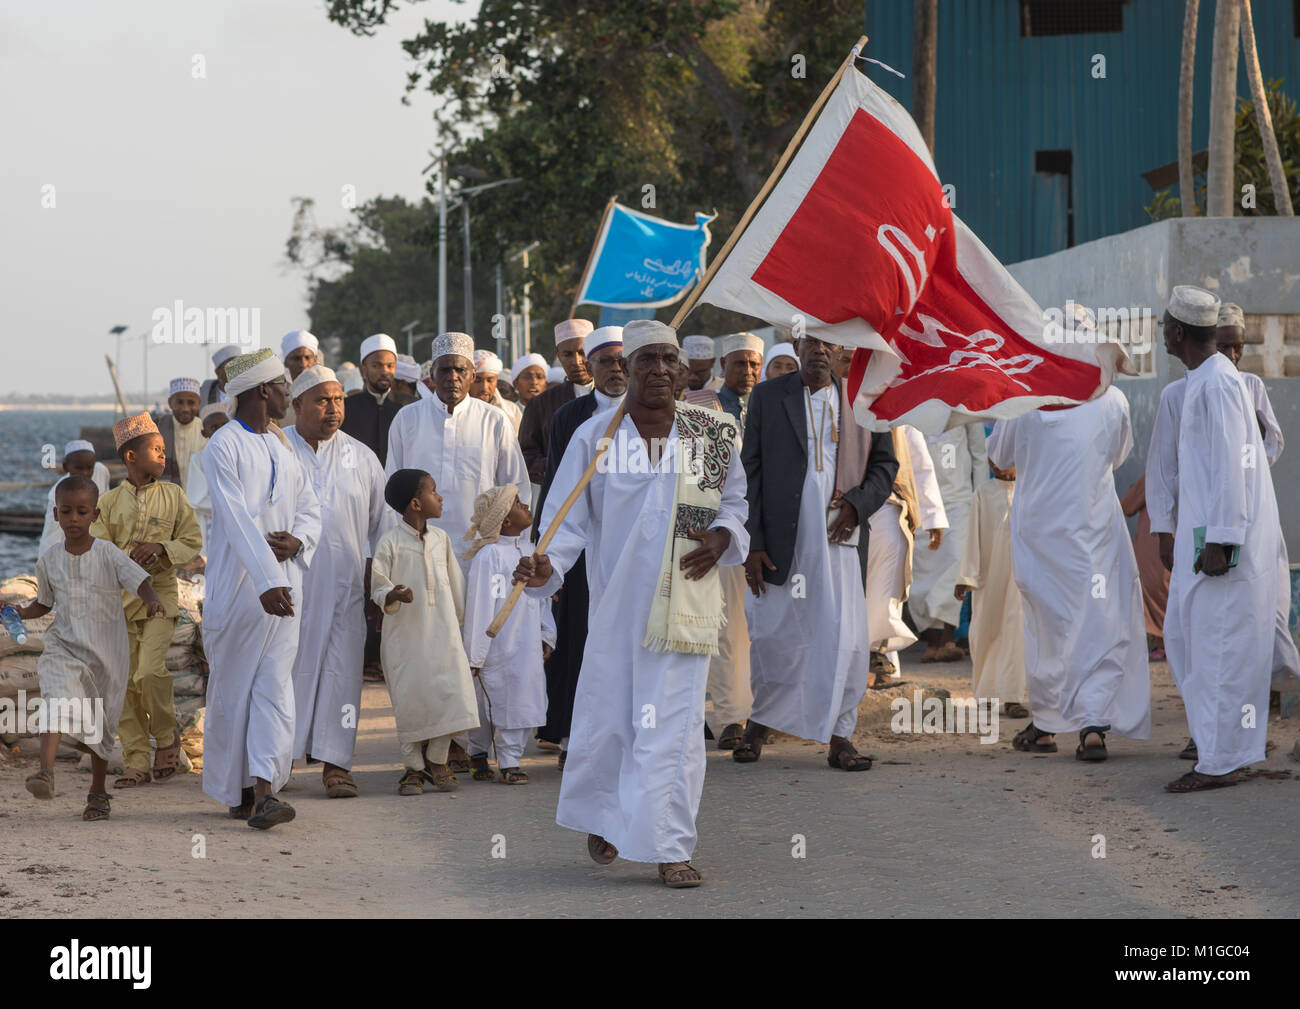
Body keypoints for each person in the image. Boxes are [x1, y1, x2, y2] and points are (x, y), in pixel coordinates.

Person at [512, 319, 748, 888]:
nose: (661, 370)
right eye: (648, 361)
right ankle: (608, 816)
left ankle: (671, 846)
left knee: (677, 731)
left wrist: (723, 536)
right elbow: (564, 526)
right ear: (625, 369)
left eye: (670, 359)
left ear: (683, 369)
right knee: (612, 719)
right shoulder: (594, 438)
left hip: (685, 610)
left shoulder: (713, 433)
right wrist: (545, 565)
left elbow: (735, 501)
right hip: (615, 610)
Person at [737, 333, 897, 769]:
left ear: (843, 349)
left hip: (838, 541)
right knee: (774, 634)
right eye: (811, 341)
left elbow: (886, 467)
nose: (820, 350)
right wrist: (752, 542)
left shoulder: (864, 399)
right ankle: (760, 723)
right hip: (781, 541)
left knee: (843, 636)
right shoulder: (769, 397)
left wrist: (856, 504)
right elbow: (748, 470)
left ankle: (841, 735)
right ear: (796, 344)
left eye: (830, 341)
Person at [1157, 287, 1295, 791]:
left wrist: (1222, 541)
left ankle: (1219, 762)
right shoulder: (1203, 381)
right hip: (1208, 538)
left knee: (1219, 651)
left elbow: (1237, 467)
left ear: (1177, 332)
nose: (1162, 334)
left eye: (1164, 326)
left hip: (1224, 547)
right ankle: (1219, 751)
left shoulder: (1218, 384)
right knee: (1190, 641)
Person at [990, 374, 1149, 762]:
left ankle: (1046, 725)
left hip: (1040, 535)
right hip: (1093, 531)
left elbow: (998, 458)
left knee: (1046, 627)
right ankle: (1092, 725)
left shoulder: (1022, 396)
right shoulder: (1112, 399)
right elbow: (1118, 454)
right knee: (1098, 622)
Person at [200, 348, 321, 828]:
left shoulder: (282, 445)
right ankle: (239, 790)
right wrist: (265, 582)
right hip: (240, 591)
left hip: (285, 590)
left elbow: (310, 505)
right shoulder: (223, 446)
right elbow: (234, 519)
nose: (290, 393)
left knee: (275, 689)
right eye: (285, 386)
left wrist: (300, 540)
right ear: (263, 390)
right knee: (234, 690)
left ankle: (267, 790)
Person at [15, 475, 164, 820]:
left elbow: (139, 579)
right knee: (54, 699)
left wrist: (153, 602)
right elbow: (44, 603)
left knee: (101, 726)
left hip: (106, 652)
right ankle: (46, 773)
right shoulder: (50, 559)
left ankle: (98, 792)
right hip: (64, 645)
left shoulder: (107, 553)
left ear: (95, 515)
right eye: (66, 512)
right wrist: (22, 612)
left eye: (82, 512)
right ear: (55, 515)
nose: (74, 519)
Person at [285, 366, 390, 798]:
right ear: (297, 405)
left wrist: (378, 584)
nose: (334, 409)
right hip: (290, 587)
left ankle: (336, 765)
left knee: (343, 674)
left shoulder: (362, 457)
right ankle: (277, 763)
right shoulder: (277, 451)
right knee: (286, 671)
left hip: (347, 586)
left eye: (340, 400)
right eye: (323, 400)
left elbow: (382, 528)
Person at [89, 413, 202, 788]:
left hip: (160, 599)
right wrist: (125, 556)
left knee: (148, 673)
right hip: (118, 605)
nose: (163, 456)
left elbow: (191, 542)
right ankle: (136, 760)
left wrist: (161, 549)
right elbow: (94, 550)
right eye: (156, 450)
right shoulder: (107, 503)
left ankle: (167, 738)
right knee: (123, 686)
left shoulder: (174, 496)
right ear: (131, 457)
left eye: (164, 450)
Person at [530, 327, 625, 764]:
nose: (616, 369)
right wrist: (545, 548)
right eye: (606, 361)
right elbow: (556, 484)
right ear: (591, 366)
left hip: (632, 550)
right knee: (580, 637)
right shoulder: (572, 415)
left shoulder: (648, 411)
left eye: (624, 360)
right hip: (582, 547)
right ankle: (574, 737)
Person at [369, 469, 479, 795]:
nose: (440, 497)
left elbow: (456, 586)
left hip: (444, 635)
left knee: (451, 695)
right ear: (416, 503)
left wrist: (463, 625)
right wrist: (393, 594)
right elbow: (378, 584)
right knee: (410, 700)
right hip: (405, 639)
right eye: (434, 492)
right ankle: (413, 768)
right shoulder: (390, 542)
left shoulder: (441, 539)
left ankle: (438, 758)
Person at [385, 332, 531, 574]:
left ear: (472, 375)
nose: (452, 377)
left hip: (481, 553)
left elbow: (516, 487)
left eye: (460, 370)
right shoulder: (407, 419)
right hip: (418, 550)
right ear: (432, 374)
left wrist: (515, 549)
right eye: (444, 370)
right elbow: (391, 490)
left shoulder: (494, 420)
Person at [461, 486, 555, 784]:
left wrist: (546, 632)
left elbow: (541, 597)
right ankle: (478, 752)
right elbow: (479, 606)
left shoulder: (533, 552)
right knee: (490, 701)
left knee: (522, 699)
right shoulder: (489, 556)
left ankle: (511, 759)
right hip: (497, 645)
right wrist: (475, 654)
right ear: (505, 521)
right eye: (516, 503)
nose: (526, 504)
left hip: (526, 643)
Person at [708, 332, 763, 746]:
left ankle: (761, 713)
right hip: (722, 530)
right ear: (723, 365)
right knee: (725, 628)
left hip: (763, 533)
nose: (748, 371)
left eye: (754, 365)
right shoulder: (705, 407)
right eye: (740, 364)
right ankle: (730, 718)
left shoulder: (769, 407)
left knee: (759, 627)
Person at [864, 426, 946, 683]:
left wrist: (933, 517)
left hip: (889, 506)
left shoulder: (896, 408)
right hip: (840, 509)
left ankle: (881, 662)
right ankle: (861, 666)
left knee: (887, 593)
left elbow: (920, 465)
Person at [910, 423, 988, 661]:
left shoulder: (967, 402)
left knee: (955, 564)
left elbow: (979, 455)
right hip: (922, 501)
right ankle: (933, 644)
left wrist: (981, 501)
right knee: (922, 572)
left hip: (959, 501)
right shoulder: (915, 398)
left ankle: (947, 639)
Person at [955, 461, 1027, 716]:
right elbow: (972, 536)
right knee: (986, 630)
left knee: (1017, 631)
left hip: (1021, 577)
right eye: (996, 459)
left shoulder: (1029, 489)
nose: (1002, 465)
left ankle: (1013, 697)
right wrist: (966, 576)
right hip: (989, 576)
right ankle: (986, 692)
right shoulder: (983, 493)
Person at [518, 320, 594, 493]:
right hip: (560, 495)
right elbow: (525, 456)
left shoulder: (615, 398)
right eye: (568, 354)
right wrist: (558, 465)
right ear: (558, 355)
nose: (577, 361)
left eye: (582, 352)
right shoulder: (540, 404)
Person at [1214, 303, 1284, 462]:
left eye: (1237, 347)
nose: (1231, 355)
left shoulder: (1252, 385)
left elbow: (1274, 439)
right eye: (1223, 347)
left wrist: (1249, 464)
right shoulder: (1202, 384)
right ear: (1213, 344)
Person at [339, 333, 402, 466]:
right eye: (377, 366)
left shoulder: (408, 406)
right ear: (364, 369)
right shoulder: (346, 407)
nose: (384, 371)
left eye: (390, 366)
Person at [38, 441, 110, 557]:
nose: (85, 473)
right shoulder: (57, 493)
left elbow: (107, 506)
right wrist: (45, 564)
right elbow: (51, 535)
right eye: (79, 468)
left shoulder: (101, 472)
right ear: (66, 467)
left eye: (89, 468)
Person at [185, 403, 229, 552]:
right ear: (205, 433)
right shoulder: (199, 459)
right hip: (211, 524)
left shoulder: (240, 454)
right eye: (214, 428)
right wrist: (232, 507)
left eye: (224, 425)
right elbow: (197, 499)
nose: (220, 431)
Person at [157, 378, 203, 490]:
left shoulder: (206, 431)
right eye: (179, 402)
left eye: (191, 403)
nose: (185, 409)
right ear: (170, 403)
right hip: (166, 501)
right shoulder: (156, 430)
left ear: (199, 403)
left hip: (199, 503)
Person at [472, 348, 523, 433]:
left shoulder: (512, 410)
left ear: (496, 381)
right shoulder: (457, 410)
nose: (484, 387)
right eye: (477, 381)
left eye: (490, 380)